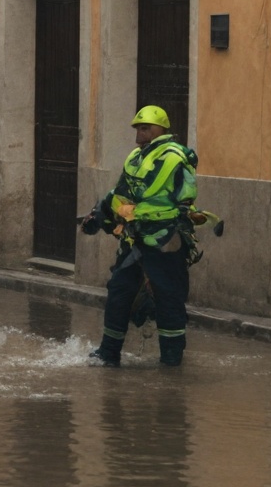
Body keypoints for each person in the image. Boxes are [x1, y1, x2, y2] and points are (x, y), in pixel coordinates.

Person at [83, 105, 197, 368]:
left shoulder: (177, 157)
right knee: (119, 291)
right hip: (134, 240)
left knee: (168, 297)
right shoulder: (135, 157)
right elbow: (122, 191)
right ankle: (109, 353)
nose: (139, 135)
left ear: (161, 129)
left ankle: (171, 359)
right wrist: (100, 211)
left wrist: (168, 220)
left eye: (145, 128)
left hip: (165, 239)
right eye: (137, 129)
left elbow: (186, 195)